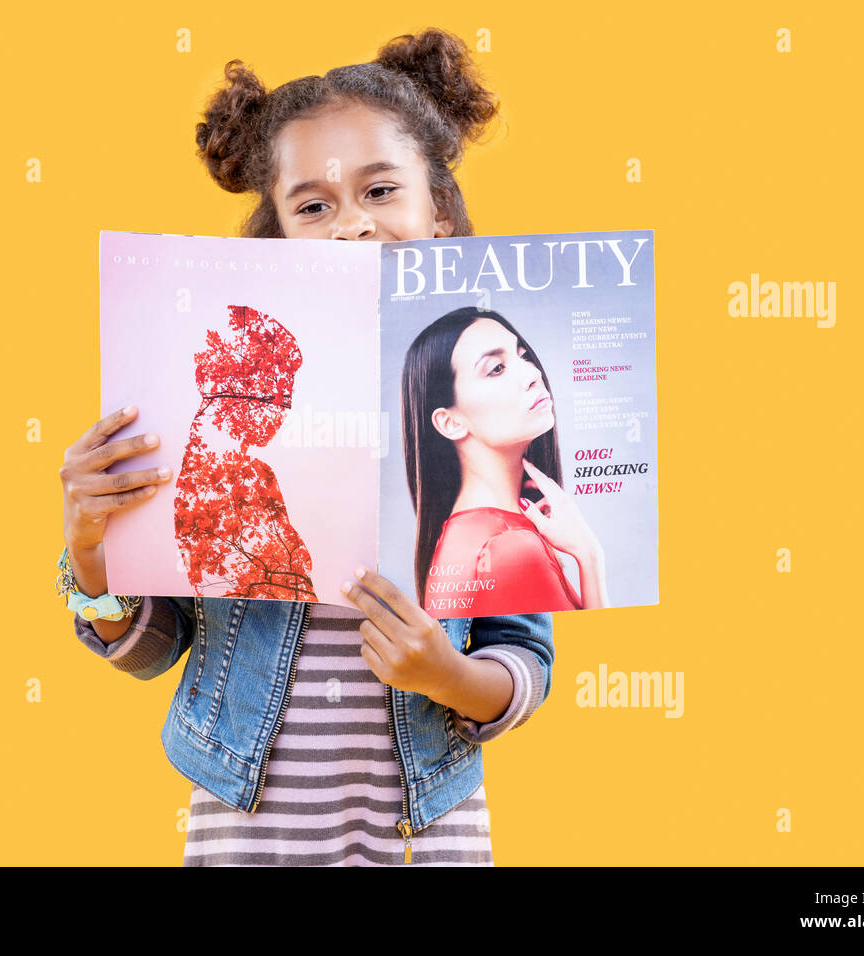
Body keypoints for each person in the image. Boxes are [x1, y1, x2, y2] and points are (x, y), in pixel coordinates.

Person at [58, 28, 554, 866]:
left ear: (437, 214)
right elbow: (150, 650)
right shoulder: (207, 405)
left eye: (381, 190)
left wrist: (445, 675)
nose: (351, 226)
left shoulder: (477, 409)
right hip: (242, 828)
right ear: (278, 234)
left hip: (428, 832)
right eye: (314, 205)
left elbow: (524, 656)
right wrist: (90, 551)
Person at [401, 306, 610, 615]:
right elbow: (597, 660)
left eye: (523, 355)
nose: (533, 374)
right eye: (496, 368)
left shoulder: (470, 535)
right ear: (451, 422)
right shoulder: (509, 549)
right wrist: (590, 556)